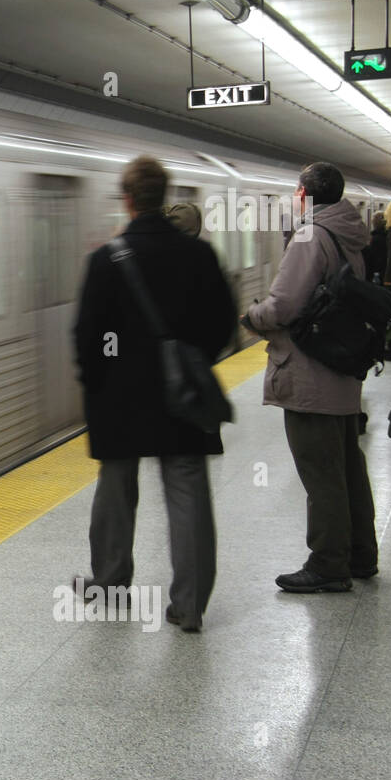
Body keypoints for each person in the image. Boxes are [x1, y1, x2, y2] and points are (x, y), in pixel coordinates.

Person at [73, 156, 237, 631]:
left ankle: (110, 582)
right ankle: (188, 606)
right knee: (188, 492)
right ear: (165, 198)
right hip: (181, 396)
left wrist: (99, 384)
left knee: (115, 487)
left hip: (122, 400)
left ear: (127, 199)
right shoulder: (199, 254)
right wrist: (191, 360)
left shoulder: (107, 259)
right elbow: (224, 323)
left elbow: (87, 337)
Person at [242, 162, 377, 591]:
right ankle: (360, 554)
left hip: (310, 369)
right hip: (340, 367)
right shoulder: (346, 231)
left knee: (321, 473)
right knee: (348, 467)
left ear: (303, 194)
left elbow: (284, 305)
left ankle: (328, 565)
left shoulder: (309, 235)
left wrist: (252, 316)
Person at [364, 210, 387, 283]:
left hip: (378, 274)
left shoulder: (376, 239)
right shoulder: (389, 236)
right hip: (386, 272)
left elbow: (373, 258)